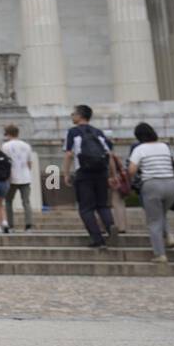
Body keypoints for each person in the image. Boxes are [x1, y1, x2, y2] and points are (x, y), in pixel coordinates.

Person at [62, 104, 115, 248]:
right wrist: (112, 175)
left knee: (86, 208)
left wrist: (66, 174)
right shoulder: (98, 132)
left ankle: (97, 239)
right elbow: (109, 155)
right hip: (101, 172)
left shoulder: (73, 132)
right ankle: (110, 227)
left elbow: (68, 154)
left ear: (80, 116)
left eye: (73, 113)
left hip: (83, 173)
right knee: (103, 205)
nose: (72, 116)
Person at [127, 123, 174, 263]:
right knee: (161, 213)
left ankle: (160, 254)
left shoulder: (140, 149)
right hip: (171, 185)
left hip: (152, 185)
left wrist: (131, 180)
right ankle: (169, 234)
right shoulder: (165, 146)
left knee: (154, 220)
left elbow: (131, 170)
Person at [1, 124, 35, 232]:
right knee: (26, 202)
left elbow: (5, 163)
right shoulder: (26, 145)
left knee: (8, 201)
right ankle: (28, 225)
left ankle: (11, 226)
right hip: (25, 177)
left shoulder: (5, 146)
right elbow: (30, 163)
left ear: (7, 133)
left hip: (11, 177)